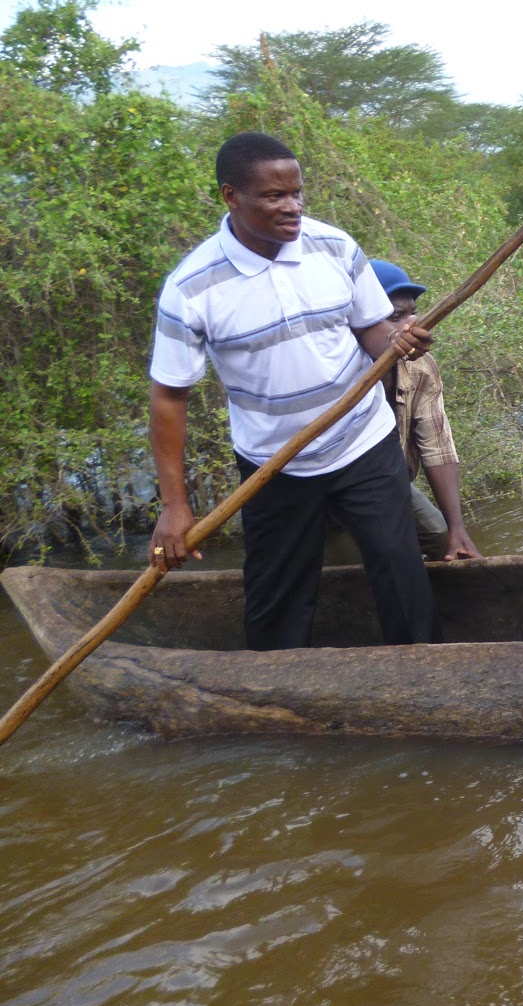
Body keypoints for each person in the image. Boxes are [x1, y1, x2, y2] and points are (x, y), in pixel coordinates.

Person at [147, 132, 438, 650]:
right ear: (230, 196)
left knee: (400, 569)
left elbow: (372, 329)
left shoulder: (334, 246)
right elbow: (169, 398)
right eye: (274, 197)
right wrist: (174, 505)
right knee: (278, 596)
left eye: (297, 193)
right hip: (272, 462)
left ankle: (424, 669)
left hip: (361, 440)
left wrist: (398, 342)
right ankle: (276, 699)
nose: (292, 208)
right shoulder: (192, 287)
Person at [365, 260, 482, 561]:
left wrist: (457, 527)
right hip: (329, 485)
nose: (412, 324)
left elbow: (438, 447)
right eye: (395, 316)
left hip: (389, 482)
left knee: (442, 537)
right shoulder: (339, 367)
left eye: (413, 312)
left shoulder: (420, 366)